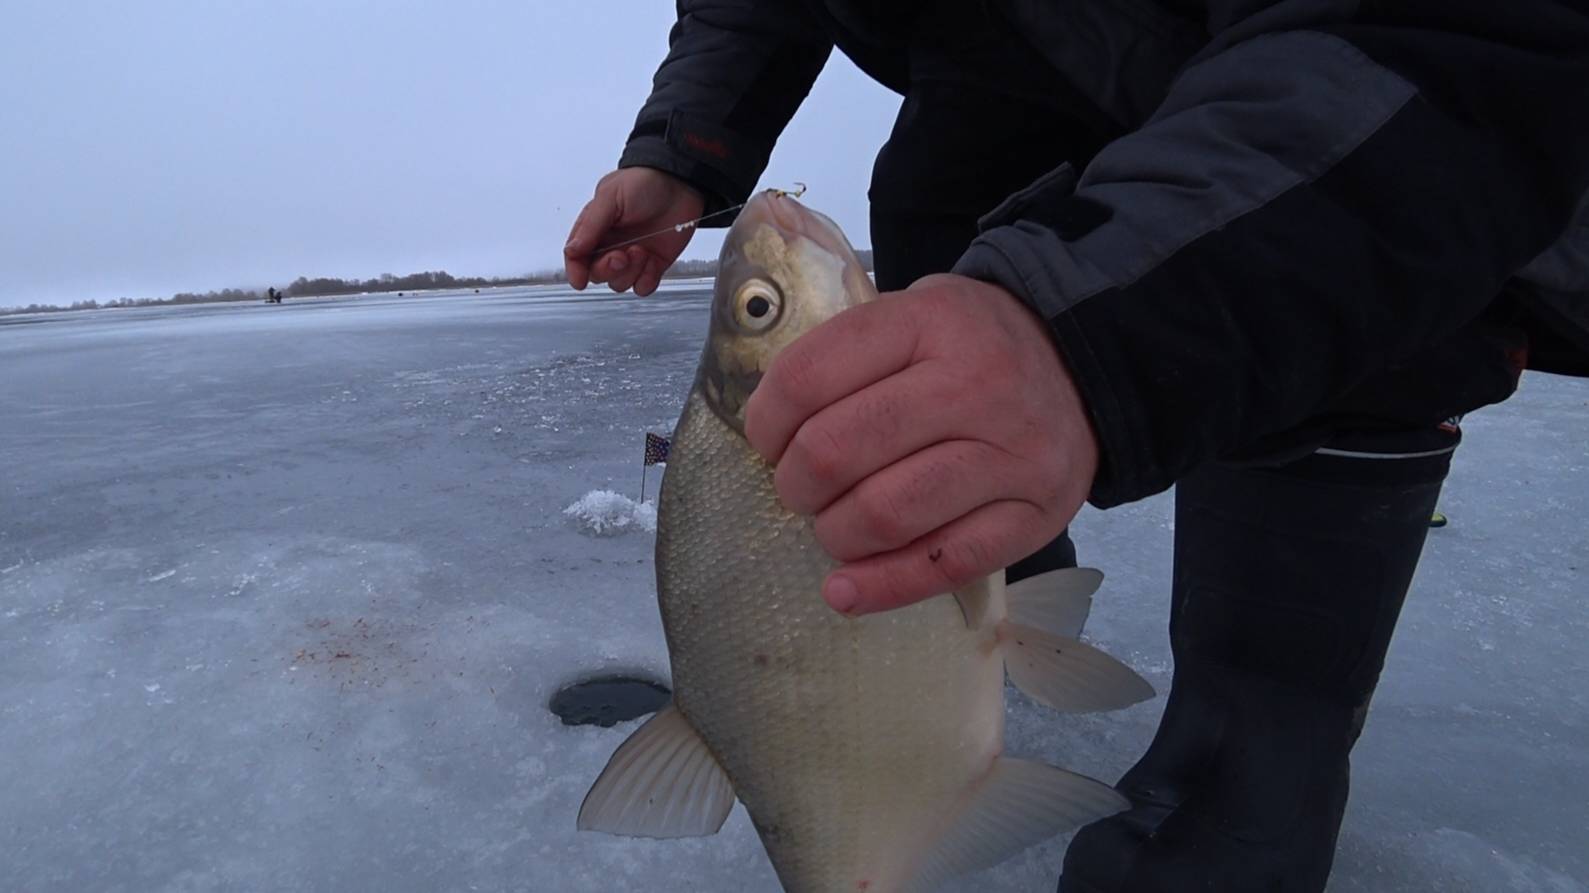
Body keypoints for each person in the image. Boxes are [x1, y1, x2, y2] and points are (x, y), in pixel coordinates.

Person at [562, 3, 1589, 891]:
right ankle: (999, 601)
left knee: (1330, 342)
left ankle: (1242, 762)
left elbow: (1455, 43)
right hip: (1004, 85)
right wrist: (680, 149)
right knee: (928, 196)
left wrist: (1076, 338)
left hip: (1366, 125)